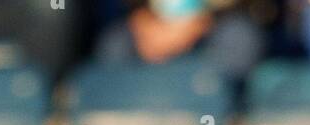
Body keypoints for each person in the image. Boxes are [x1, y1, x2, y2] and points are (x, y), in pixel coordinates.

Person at [94, 0, 265, 80]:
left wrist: (197, 28)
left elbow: (231, 76)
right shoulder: (121, 37)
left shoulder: (236, 32)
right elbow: (107, 84)